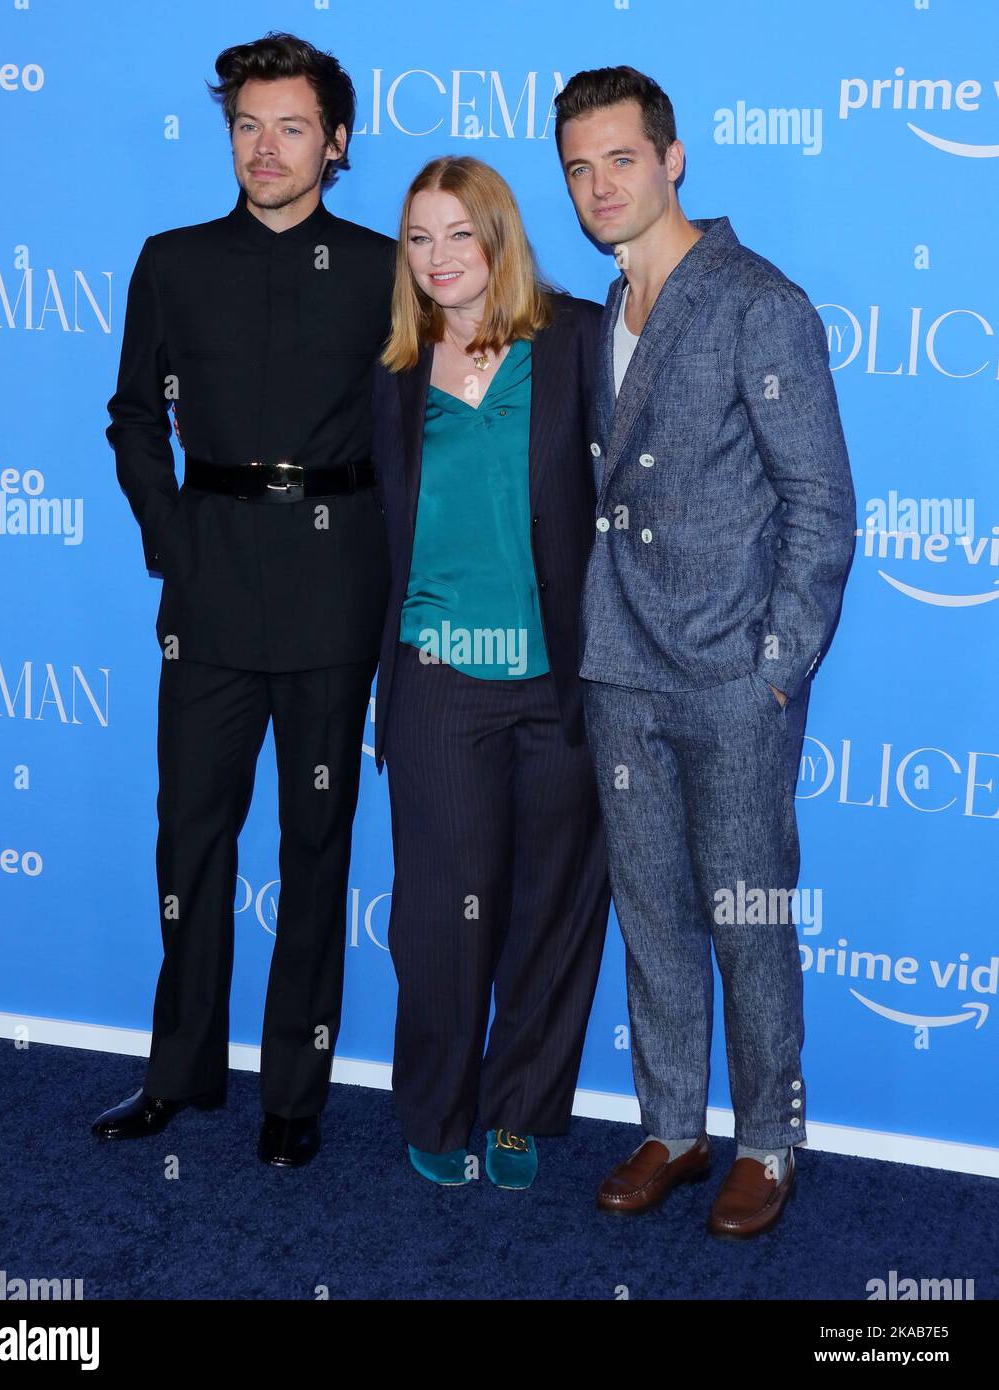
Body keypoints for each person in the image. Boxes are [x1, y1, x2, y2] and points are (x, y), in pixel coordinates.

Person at [555, 66, 856, 1235]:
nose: (599, 185)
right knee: (652, 911)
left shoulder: (753, 301)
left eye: (620, 159)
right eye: (578, 167)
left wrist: (774, 664)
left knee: (746, 913)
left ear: (672, 159)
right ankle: (672, 1125)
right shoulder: (601, 314)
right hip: (619, 663)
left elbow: (820, 504)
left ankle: (768, 1143)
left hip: (734, 676)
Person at [93, 32, 394, 1168]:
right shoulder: (171, 259)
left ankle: (295, 1096)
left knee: (317, 839)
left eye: (291, 128)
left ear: (336, 142)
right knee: (190, 839)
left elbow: (419, 431)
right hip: (210, 585)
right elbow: (131, 414)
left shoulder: (380, 267)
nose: (265, 149)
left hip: (334, 587)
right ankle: (180, 1073)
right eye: (247, 126)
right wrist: (173, 537)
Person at [371, 155, 612, 1190]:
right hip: (436, 677)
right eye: (418, 239)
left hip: (558, 677)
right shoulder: (386, 369)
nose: (437, 259)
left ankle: (518, 1107)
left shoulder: (573, 343)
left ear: (498, 238)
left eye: (458, 235)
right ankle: (436, 1105)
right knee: (439, 908)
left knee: (550, 903)